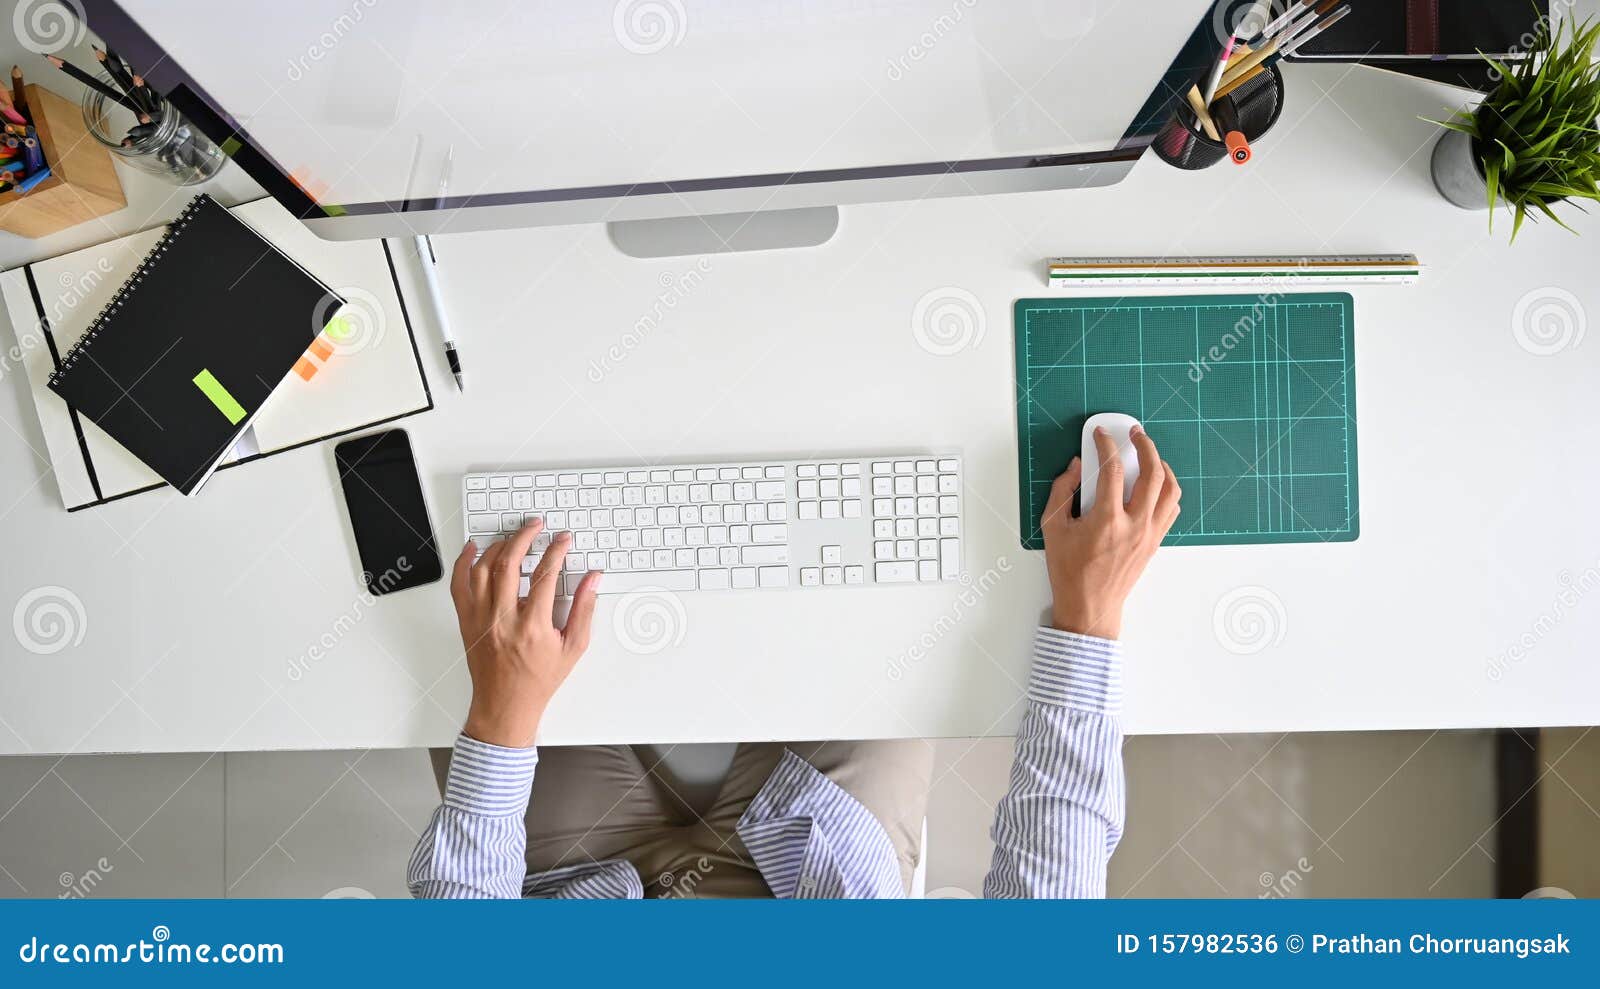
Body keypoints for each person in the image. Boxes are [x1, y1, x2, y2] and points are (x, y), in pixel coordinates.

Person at [408, 425, 1180, 898]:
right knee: (895, 610)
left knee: (486, 626)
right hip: (829, 877)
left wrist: (501, 715)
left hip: (576, 884)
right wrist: (1088, 617)